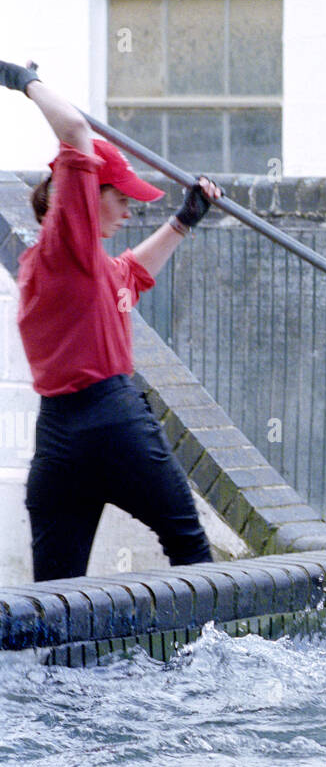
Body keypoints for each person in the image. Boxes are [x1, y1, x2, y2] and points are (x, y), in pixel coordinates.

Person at [0, 57, 221, 582]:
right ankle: (211, 660)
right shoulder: (65, 248)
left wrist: (183, 221)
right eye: (120, 199)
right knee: (192, 555)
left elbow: (134, 274)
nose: (128, 212)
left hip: (58, 439)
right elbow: (75, 131)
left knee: (58, 599)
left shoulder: (78, 269)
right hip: (114, 423)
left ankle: (55, 668)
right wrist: (23, 81)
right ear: (81, 199)